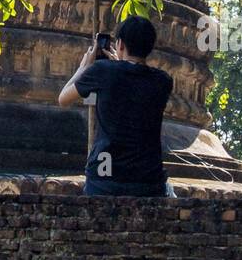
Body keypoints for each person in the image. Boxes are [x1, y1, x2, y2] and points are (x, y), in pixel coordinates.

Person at [58, 15, 175, 198]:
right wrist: (118, 66)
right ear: (150, 47)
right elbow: (132, 84)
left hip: (104, 179)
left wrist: (83, 68)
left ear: (120, 44)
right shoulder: (163, 81)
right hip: (147, 181)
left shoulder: (102, 71)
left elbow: (63, 99)